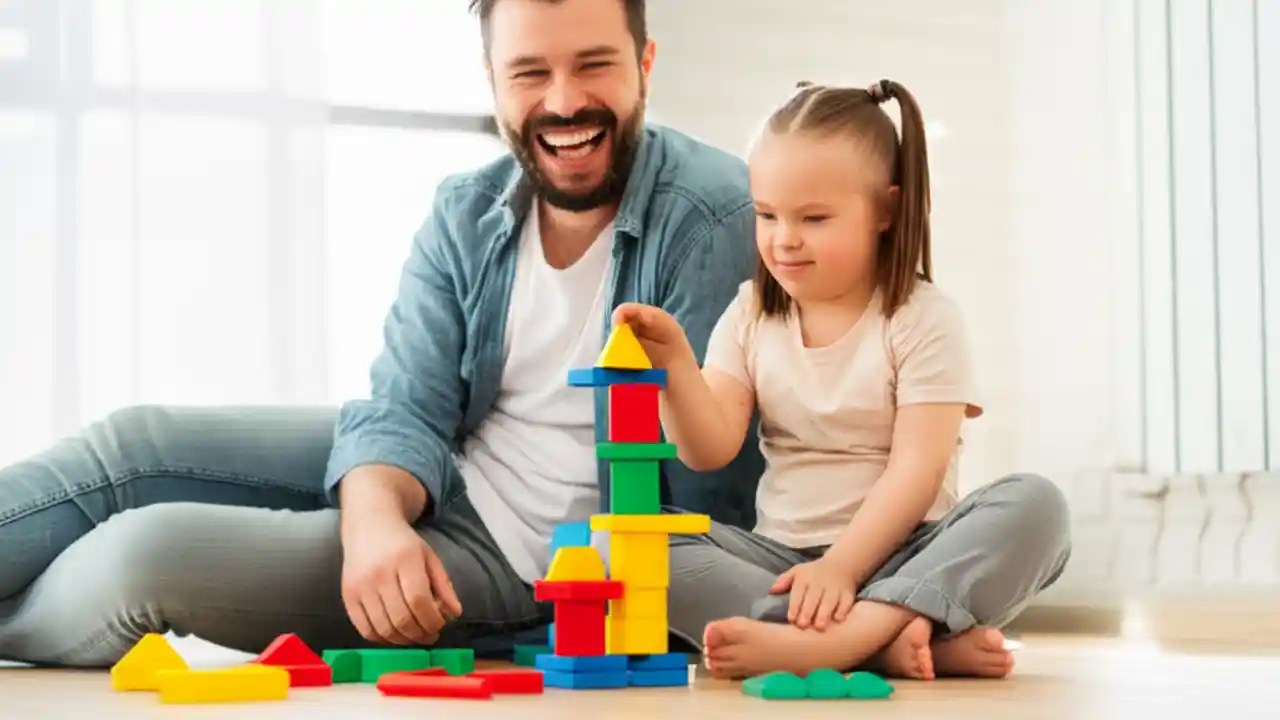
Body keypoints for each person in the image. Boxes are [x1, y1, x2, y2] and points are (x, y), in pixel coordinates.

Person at [0, 0, 763, 666]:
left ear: (645, 64)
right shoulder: (470, 208)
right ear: (492, 79)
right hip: (443, 469)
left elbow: (708, 497)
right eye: (529, 73)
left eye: (593, 65)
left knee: (147, 558)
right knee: (136, 445)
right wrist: (371, 522)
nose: (564, 102)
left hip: (527, 565)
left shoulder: (717, 217)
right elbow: (405, 406)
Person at [613, 80, 1071, 680]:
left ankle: (835, 642)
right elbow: (708, 449)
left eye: (814, 218)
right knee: (622, 551)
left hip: (911, 552)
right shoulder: (750, 313)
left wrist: (842, 571)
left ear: (884, 210)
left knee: (1039, 505)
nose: (784, 239)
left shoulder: (923, 318)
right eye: (768, 215)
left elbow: (917, 471)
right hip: (782, 563)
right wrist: (674, 366)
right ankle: (888, 642)